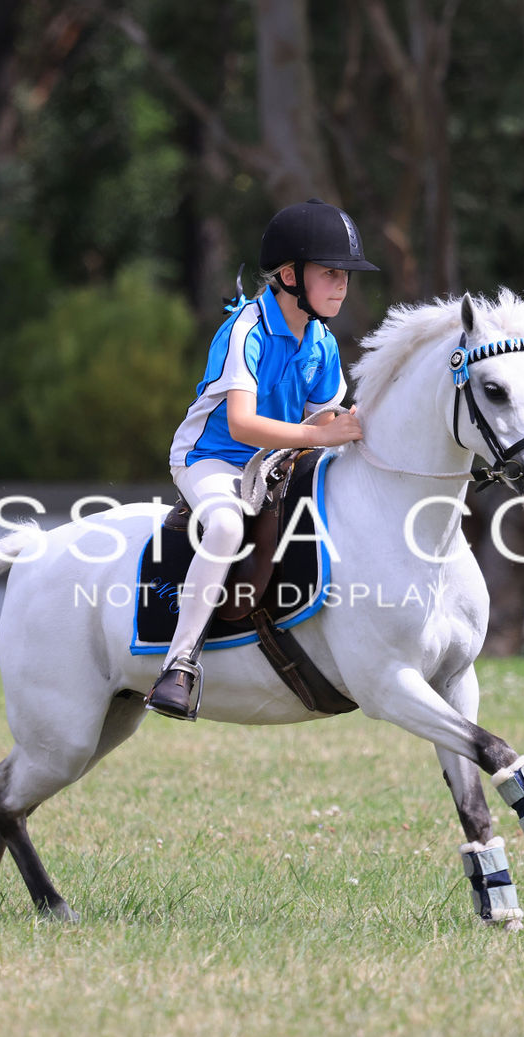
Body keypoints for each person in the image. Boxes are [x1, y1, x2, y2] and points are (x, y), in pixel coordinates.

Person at [145, 198, 381, 721]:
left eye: (345, 276)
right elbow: (240, 425)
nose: (341, 286)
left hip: (270, 462)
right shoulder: (246, 328)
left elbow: (322, 421)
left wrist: (354, 427)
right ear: (290, 275)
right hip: (209, 458)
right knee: (227, 528)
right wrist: (320, 436)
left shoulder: (320, 341)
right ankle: (179, 664)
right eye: (330, 274)